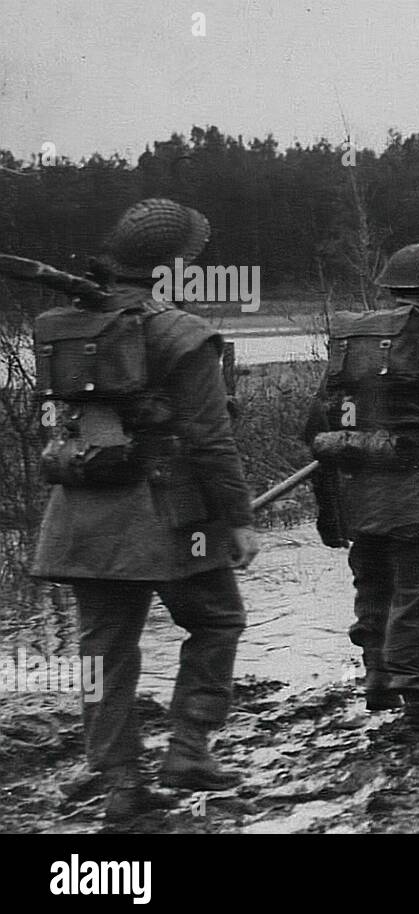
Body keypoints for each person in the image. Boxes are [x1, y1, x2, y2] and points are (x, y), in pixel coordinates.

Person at [29, 198, 259, 822]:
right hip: (172, 512)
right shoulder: (182, 333)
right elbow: (211, 440)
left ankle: (121, 782)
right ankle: (188, 748)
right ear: (171, 267)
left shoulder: (66, 324)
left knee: (102, 654)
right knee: (217, 621)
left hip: (81, 511)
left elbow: (65, 419)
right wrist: (237, 518)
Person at [304, 243, 419, 739]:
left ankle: (379, 682)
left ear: (388, 290)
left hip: (361, 500)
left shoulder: (350, 343)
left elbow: (319, 420)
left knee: (375, 588)